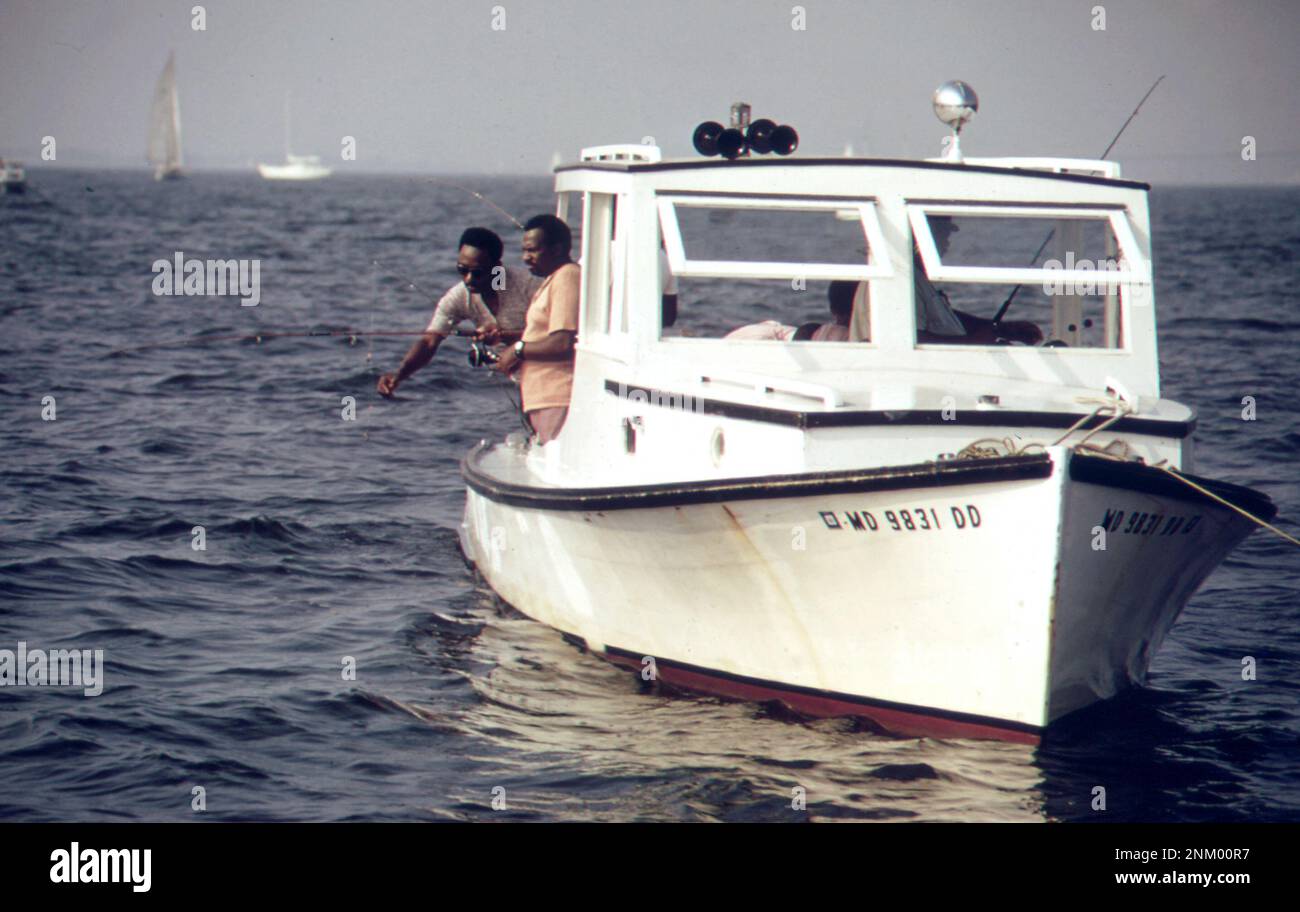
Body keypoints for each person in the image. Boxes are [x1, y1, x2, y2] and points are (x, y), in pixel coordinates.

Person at [376, 227, 538, 397]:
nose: (469, 279)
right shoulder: (459, 296)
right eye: (462, 270)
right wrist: (399, 375)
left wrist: (504, 336)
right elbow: (429, 342)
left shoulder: (527, 286)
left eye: (477, 273)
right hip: (520, 383)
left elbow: (557, 334)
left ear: (497, 268)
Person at [493, 215, 580, 444]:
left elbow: (562, 342)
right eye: (523, 251)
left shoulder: (567, 276)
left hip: (556, 396)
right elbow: (544, 332)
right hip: (540, 398)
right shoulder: (553, 279)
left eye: (532, 250)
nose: (525, 258)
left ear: (557, 248)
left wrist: (518, 350)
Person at [916, 217, 1042, 345]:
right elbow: (916, 338)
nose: (947, 241)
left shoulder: (922, 279)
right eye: (942, 234)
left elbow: (946, 319)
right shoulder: (911, 282)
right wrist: (973, 341)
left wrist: (1002, 329)